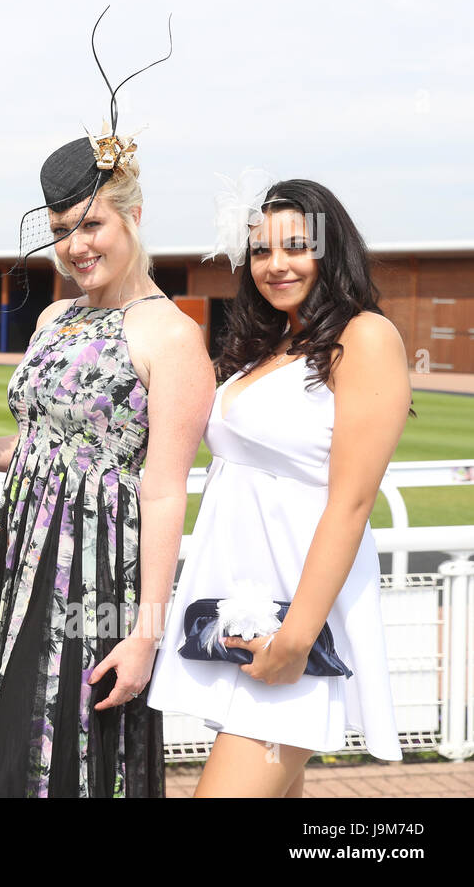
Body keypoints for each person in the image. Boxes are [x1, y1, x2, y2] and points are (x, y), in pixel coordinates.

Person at [0, 15, 215, 796]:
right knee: (13, 749)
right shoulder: (51, 320)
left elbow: (164, 487)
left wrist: (144, 634)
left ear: (132, 219)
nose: (76, 245)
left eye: (92, 225)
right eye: (60, 232)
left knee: (77, 759)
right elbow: (41, 445)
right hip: (22, 560)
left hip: (96, 572)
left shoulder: (169, 335)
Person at [147, 177, 408, 796]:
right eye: (261, 251)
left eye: (296, 246)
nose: (276, 264)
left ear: (331, 248)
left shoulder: (365, 336)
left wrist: (297, 636)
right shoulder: (267, 346)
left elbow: (351, 503)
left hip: (302, 617)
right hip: (243, 611)